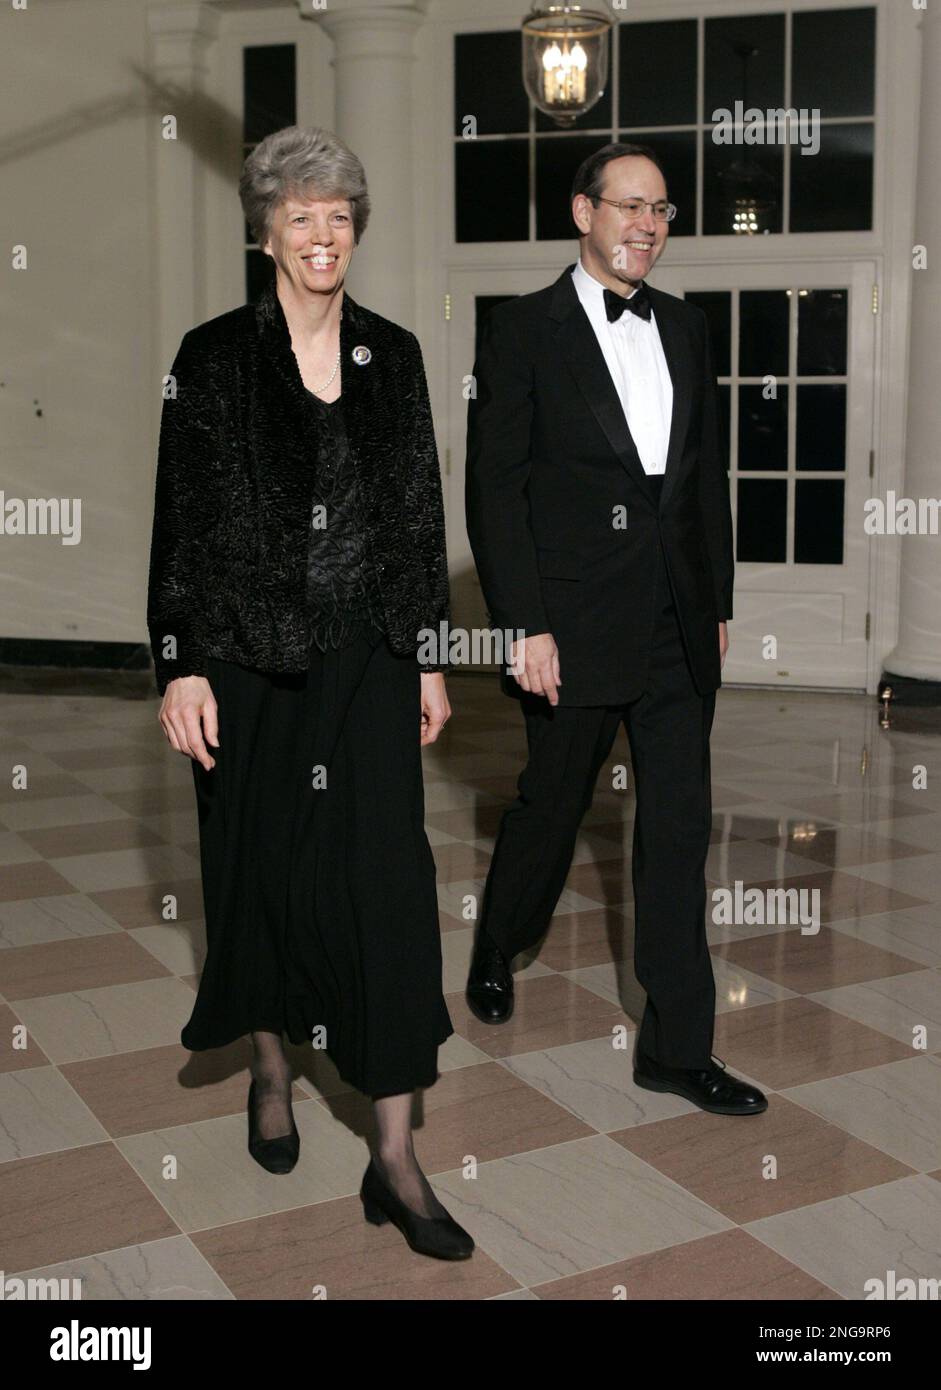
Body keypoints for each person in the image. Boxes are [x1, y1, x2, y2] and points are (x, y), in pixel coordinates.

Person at [147, 124, 473, 1259]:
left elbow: (418, 516)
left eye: (338, 216)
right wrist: (181, 662)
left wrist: (427, 652)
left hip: (368, 661)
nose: (322, 234)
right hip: (247, 662)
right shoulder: (212, 357)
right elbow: (181, 522)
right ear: (265, 232)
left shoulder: (393, 354)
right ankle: (271, 1068)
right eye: (300, 216)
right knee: (260, 871)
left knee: (387, 886)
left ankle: (395, 1156)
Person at [464, 142, 767, 1118]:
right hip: (573, 623)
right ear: (582, 212)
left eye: (660, 209)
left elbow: (704, 478)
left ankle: (675, 1047)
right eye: (628, 205)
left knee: (676, 831)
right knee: (551, 807)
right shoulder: (521, 329)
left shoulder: (686, 327)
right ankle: (498, 941)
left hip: (675, 621)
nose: (646, 225)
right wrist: (523, 626)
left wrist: (714, 602)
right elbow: (495, 491)